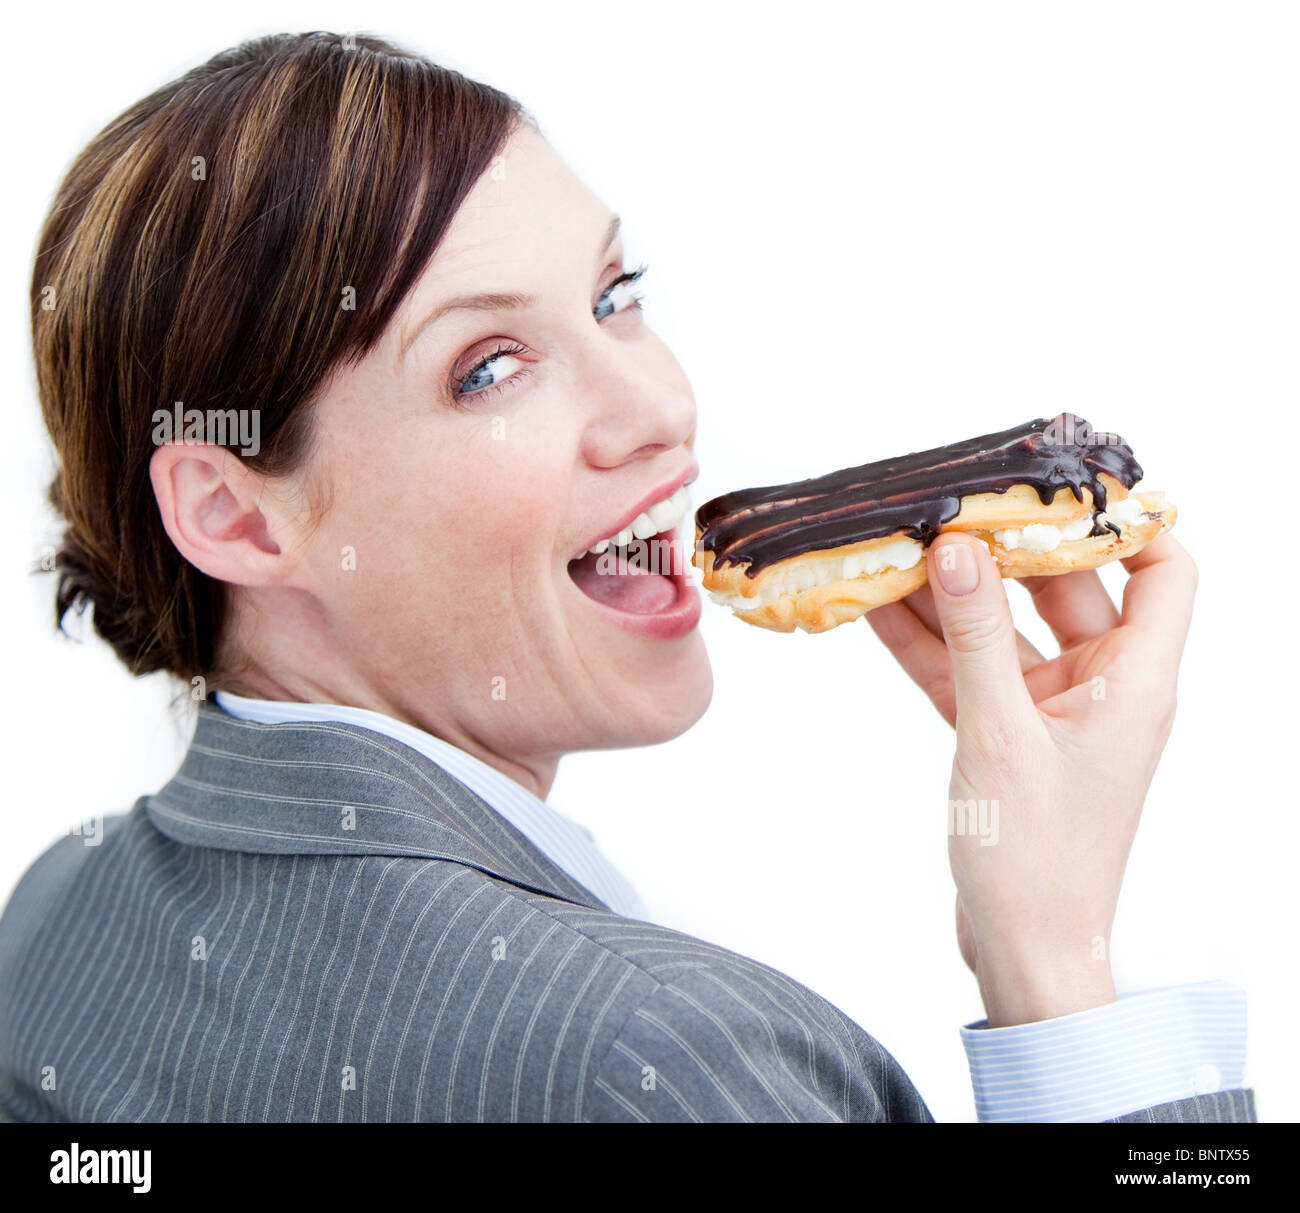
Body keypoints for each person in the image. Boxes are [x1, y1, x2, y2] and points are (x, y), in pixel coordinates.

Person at [0, 31, 1251, 1122]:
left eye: (614, 296)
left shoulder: (56, 907)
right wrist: (1055, 967)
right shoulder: (667, 1059)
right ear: (233, 514)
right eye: (488, 366)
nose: (659, 407)